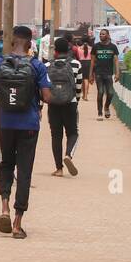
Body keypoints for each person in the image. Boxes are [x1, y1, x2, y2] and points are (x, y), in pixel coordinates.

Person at [0, 25, 52, 240]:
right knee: (24, 172)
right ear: (30, 42)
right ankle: (17, 223)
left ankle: (4, 206)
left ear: (13, 41)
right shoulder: (37, 66)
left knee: (6, 164)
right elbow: (47, 97)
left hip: (6, 124)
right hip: (29, 126)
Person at [45, 36, 81, 177]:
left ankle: (59, 169)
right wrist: (75, 101)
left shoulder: (48, 66)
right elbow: (78, 88)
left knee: (56, 135)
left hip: (53, 104)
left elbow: (44, 88)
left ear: (55, 51)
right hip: (70, 103)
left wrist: (42, 105)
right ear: (68, 49)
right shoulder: (76, 65)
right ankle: (68, 155)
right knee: (73, 133)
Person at [91, 28, 119, 120]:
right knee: (100, 92)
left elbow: (116, 61)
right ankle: (99, 113)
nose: (101, 36)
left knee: (110, 93)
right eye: (100, 34)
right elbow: (92, 61)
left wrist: (117, 73)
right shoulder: (96, 46)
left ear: (108, 35)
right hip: (98, 73)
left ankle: (106, 106)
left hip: (108, 74)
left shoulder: (113, 47)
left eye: (103, 34)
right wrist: (90, 74)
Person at [73, 35, 93, 102]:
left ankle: (81, 94)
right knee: (86, 79)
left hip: (81, 63)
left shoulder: (78, 48)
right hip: (89, 63)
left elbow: (77, 56)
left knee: (81, 79)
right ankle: (85, 96)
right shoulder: (91, 48)